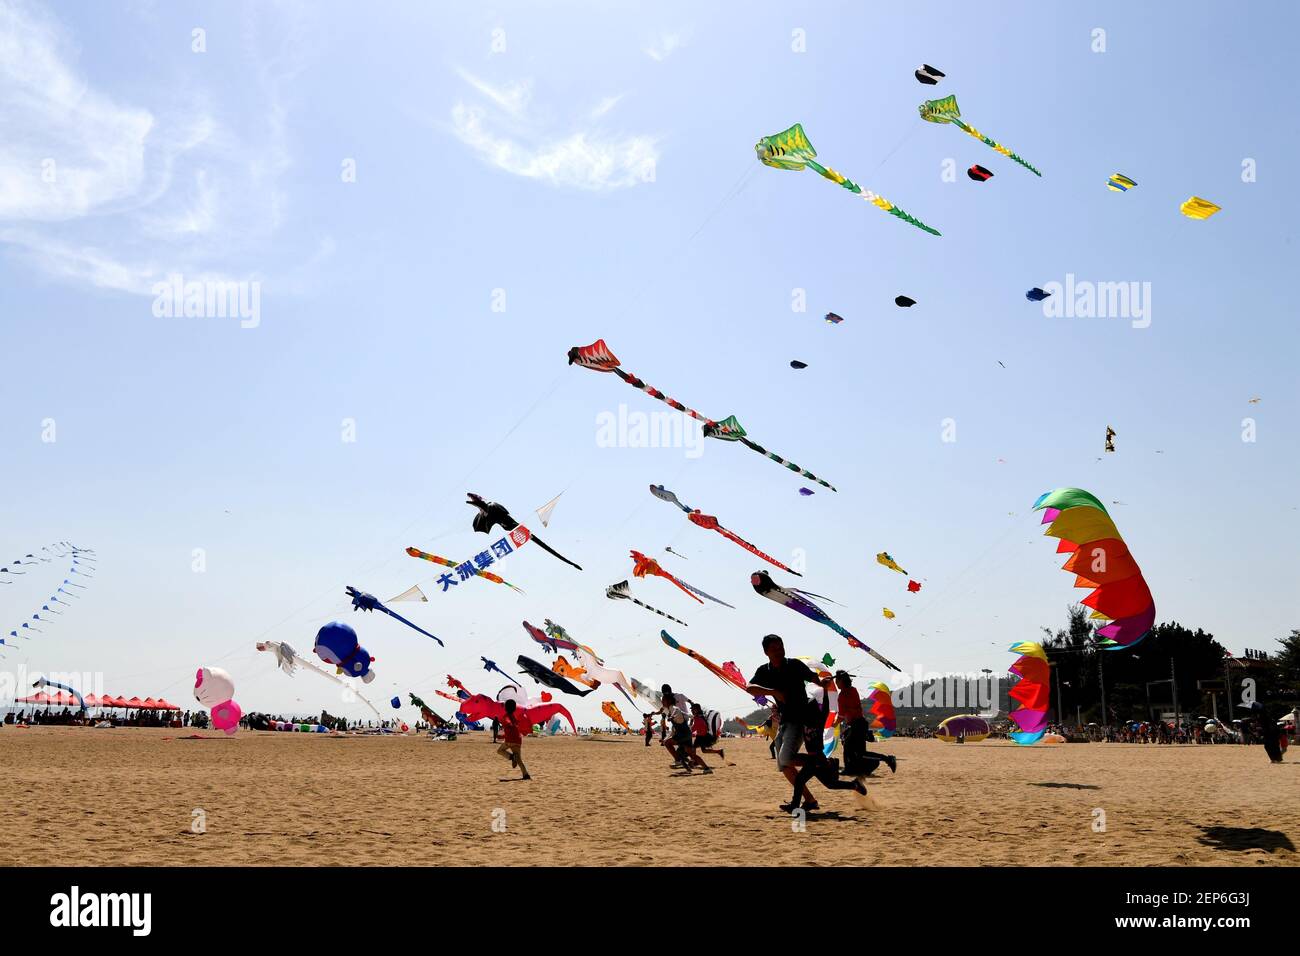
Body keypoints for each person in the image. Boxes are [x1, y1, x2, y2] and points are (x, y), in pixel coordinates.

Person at [746, 635, 824, 809]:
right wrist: (774, 691)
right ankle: (810, 800)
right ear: (766, 652)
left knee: (786, 758)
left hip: (799, 719)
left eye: (780, 647)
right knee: (784, 765)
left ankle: (819, 763)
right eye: (774, 649)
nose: (778, 651)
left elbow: (813, 678)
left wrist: (822, 681)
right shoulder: (764, 670)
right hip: (784, 721)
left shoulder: (794, 665)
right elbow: (749, 688)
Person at [783, 694, 868, 812]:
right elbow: (794, 710)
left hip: (817, 758)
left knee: (800, 780)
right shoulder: (804, 721)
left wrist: (826, 690)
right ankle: (854, 785)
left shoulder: (819, 721)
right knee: (830, 784)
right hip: (814, 759)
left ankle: (794, 805)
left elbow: (826, 708)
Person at [835, 671, 896, 776]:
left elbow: (841, 715)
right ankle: (857, 768)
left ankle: (849, 769)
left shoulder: (843, 695)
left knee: (849, 746)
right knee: (857, 751)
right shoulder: (853, 690)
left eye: (837, 680)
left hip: (857, 724)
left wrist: (834, 724)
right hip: (860, 724)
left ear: (841, 681)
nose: (836, 683)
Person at [496, 700, 530, 780]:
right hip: (518, 739)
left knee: (500, 750)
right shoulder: (514, 717)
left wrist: (505, 729)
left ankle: (511, 757)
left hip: (510, 740)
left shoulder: (506, 717)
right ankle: (526, 775)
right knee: (519, 759)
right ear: (514, 708)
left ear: (505, 708)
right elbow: (515, 727)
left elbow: (509, 724)